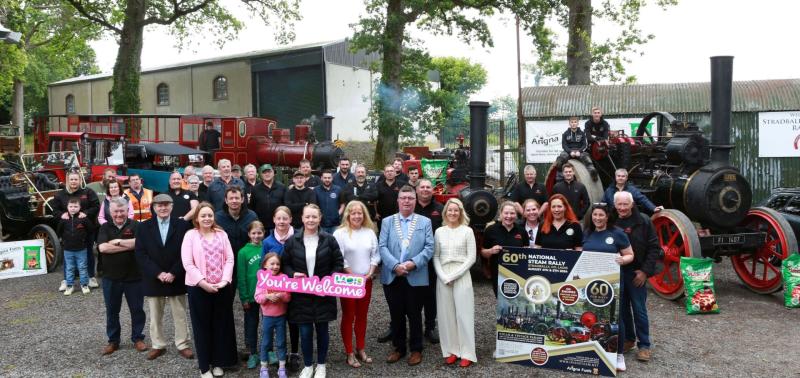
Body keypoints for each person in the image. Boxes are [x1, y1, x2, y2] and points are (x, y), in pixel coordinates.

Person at [282, 204, 344, 378]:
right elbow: (284, 264)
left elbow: (338, 263)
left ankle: (322, 365)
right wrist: (293, 274)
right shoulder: (292, 241)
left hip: (323, 294)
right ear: (301, 218)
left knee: (322, 330)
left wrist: (329, 279)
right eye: (307, 217)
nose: (311, 220)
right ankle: (308, 365)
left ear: (320, 218)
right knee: (305, 332)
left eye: (314, 217)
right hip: (301, 295)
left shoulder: (329, 239)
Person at [134, 194, 194, 361]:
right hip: (154, 277)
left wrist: (174, 272)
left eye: (166, 205)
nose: (163, 208)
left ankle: (182, 344)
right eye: (159, 205)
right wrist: (158, 273)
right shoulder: (144, 227)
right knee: (155, 315)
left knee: (180, 313)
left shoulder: (182, 225)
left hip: (176, 276)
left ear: (172, 206)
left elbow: (187, 253)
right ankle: (158, 345)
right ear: (153, 207)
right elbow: (140, 253)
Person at [379, 185, 434, 366]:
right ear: (398, 201)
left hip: (415, 275)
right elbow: (382, 247)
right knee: (396, 314)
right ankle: (399, 348)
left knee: (415, 314)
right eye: (403, 198)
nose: (407, 201)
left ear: (415, 200)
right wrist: (395, 266)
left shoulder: (424, 222)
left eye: (410, 198)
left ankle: (416, 349)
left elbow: (429, 248)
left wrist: (413, 263)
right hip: (393, 275)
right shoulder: (387, 221)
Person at [181, 202, 238, 378]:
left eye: (210, 215)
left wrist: (225, 280)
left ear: (214, 217)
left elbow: (229, 259)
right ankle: (205, 366)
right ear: (197, 218)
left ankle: (218, 362)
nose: (207, 218)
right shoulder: (190, 235)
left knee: (221, 325)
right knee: (202, 327)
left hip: (221, 288)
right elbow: (188, 263)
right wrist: (202, 282)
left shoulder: (221, 234)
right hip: (198, 288)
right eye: (203, 215)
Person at [581, 202, 634, 371]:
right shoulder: (587, 232)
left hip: (613, 283)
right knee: (592, 315)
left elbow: (630, 255)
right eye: (595, 215)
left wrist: (623, 260)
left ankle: (619, 355)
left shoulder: (617, 233)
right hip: (590, 282)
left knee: (616, 318)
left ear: (607, 216)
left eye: (601, 215)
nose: (597, 218)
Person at [614, 191, 660, 364]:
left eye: (626, 204)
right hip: (618, 272)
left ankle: (644, 345)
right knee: (623, 309)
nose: (623, 208)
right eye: (619, 204)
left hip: (636, 272)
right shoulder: (612, 222)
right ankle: (629, 339)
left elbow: (654, 248)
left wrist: (644, 272)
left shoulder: (644, 221)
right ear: (615, 205)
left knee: (639, 310)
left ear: (632, 204)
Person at [97, 197, 147, 356]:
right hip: (111, 278)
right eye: (115, 211)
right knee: (112, 310)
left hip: (134, 277)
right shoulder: (104, 227)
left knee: (137, 310)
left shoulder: (137, 225)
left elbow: (140, 244)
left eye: (122, 211)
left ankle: (138, 338)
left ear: (127, 211)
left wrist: (117, 242)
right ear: (110, 212)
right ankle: (113, 341)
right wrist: (128, 245)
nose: (119, 214)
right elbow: (103, 248)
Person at [333, 200, 380, 369]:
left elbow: (376, 254)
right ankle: (349, 352)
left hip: (366, 280)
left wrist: (371, 271)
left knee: (362, 315)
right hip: (348, 282)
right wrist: (352, 276)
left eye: (360, 213)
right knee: (348, 316)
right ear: (348, 215)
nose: (357, 216)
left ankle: (361, 348)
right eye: (353, 213)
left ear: (364, 214)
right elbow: (339, 257)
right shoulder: (340, 233)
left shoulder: (369, 232)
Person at [433, 198, 476, 368]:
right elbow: (435, 256)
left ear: (460, 212)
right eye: (449, 210)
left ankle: (467, 352)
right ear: (445, 213)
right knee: (446, 315)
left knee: (464, 314)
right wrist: (443, 276)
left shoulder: (467, 231)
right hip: (443, 275)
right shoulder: (439, 232)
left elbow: (471, 257)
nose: (452, 213)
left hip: (462, 274)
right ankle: (451, 350)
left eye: (456, 210)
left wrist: (454, 275)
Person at [260, 206, 302, 372]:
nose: (282, 221)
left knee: (294, 320)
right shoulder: (267, 242)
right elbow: (262, 267)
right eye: (279, 218)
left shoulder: (298, 237)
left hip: (294, 285)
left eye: (285, 218)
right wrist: (265, 291)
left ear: (290, 219)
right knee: (274, 322)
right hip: (273, 290)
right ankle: (272, 355)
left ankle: (293, 353)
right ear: (274, 220)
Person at [51, 170, 100, 291]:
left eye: (76, 179)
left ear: (80, 180)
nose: (74, 182)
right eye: (71, 179)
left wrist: (86, 213)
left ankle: (90, 277)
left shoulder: (88, 192)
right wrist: (61, 215)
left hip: (86, 229)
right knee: (68, 255)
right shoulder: (60, 195)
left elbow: (96, 206)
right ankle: (66, 280)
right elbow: (54, 210)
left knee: (88, 252)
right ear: (68, 180)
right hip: (68, 231)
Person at [414, 179, 442, 343]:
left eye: (428, 187)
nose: (425, 190)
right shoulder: (410, 208)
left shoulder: (440, 209)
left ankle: (430, 327)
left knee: (431, 295)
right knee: (411, 295)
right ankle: (409, 325)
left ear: (433, 190)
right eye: (422, 187)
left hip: (432, 260)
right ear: (416, 190)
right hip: (413, 260)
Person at [255, 252, 291, 378]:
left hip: (281, 316)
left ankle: (282, 367)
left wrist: (281, 295)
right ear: (265, 264)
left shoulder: (283, 278)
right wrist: (267, 296)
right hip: (267, 317)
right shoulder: (262, 279)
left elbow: (288, 297)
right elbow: (257, 297)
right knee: (265, 342)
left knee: (281, 342)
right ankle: (263, 367)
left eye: (277, 264)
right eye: (272, 263)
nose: (275, 266)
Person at [481, 201, 529, 295]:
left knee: (517, 299)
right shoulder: (491, 230)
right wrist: (491, 251)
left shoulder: (522, 231)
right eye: (506, 213)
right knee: (500, 299)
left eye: (512, 213)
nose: (509, 216)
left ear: (516, 215)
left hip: (518, 273)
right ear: (501, 214)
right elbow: (483, 252)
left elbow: (527, 252)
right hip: (498, 272)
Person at [237, 221, 267, 370]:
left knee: (268, 324)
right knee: (251, 324)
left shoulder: (266, 248)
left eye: (259, 233)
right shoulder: (243, 252)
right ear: (249, 234)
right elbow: (241, 277)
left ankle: (268, 351)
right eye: (253, 233)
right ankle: (253, 353)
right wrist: (244, 297)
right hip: (251, 295)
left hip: (267, 295)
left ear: (264, 233)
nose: (256, 236)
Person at [58, 197, 93, 295]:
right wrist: (63, 241)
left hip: (81, 249)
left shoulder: (83, 218)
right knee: (69, 267)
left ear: (80, 207)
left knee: (82, 267)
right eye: (71, 206)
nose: (73, 208)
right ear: (67, 207)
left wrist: (85, 240)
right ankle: (69, 285)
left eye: (75, 206)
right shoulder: (64, 219)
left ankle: (84, 284)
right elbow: (59, 231)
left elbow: (90, 229)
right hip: (68, 249)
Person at [250, 164, 287, 232]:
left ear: (273, 173)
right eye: (264, 172)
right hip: (261, 226)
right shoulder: (255, 189)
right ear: (261, 175)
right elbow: (252, 207)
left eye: (269, 172)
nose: (267, 174)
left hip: (278, 225)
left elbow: (286, 206)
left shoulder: (282, 187)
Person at [314, 170, 343, 234]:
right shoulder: (316, 190)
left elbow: (343, 204)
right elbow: (314, 206)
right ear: (321, 178)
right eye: (325, 178)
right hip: (321, 224)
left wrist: (337, 214)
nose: (327, 179)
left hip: (335, 224)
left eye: (329, 178)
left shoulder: (338, 189)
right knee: (323, 243)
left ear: (332, 178)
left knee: (335, 242)